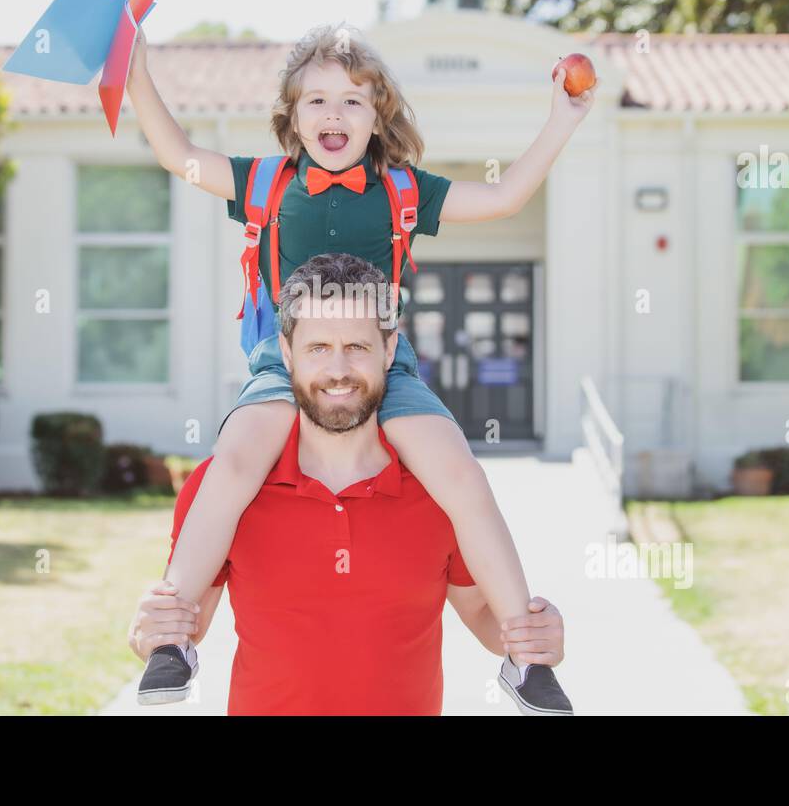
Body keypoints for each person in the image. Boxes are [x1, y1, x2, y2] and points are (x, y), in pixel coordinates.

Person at [125, 20, 595, 713]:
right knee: (232, 460)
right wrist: (134, 65)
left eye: (353, 99)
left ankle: (525, 657)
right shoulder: (263, 181)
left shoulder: (405, 190)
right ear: (292, 118)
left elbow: (504, 198)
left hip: (386, 361)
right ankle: (174, 640)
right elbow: (176, 153)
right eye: (315, 101)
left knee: (459, 468)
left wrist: (563, 118)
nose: (333, 114)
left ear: (379, 116)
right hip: (287, 362)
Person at [130, 254, 570, 715]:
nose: (337, 369)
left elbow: (481, 614)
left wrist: (531, 637)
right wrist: (148, 632)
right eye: (317, 347)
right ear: (285, 354)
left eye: (357, 347)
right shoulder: (228, 485)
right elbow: (185, 623)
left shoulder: (438, 488)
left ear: (388, 349)